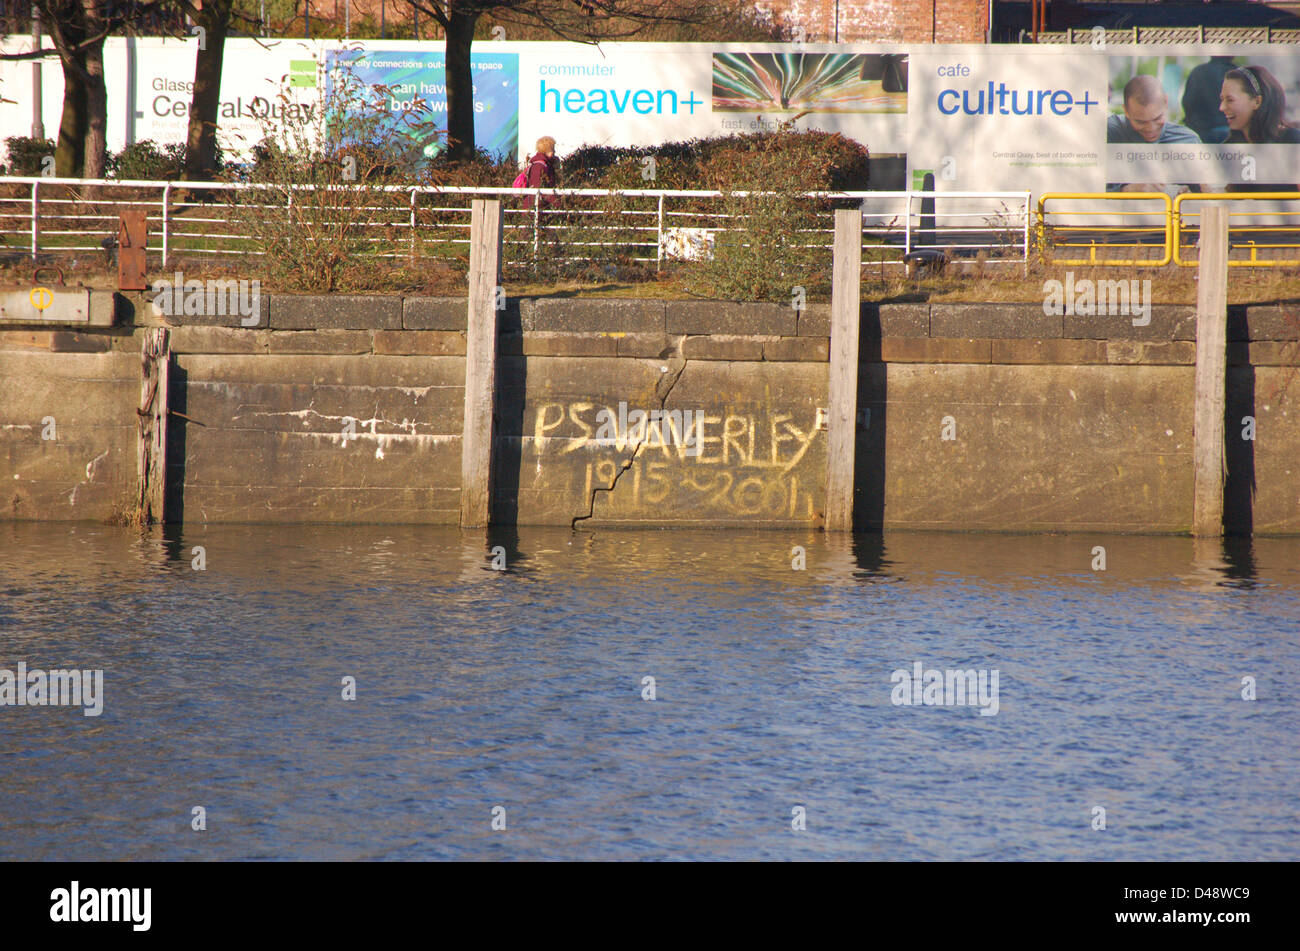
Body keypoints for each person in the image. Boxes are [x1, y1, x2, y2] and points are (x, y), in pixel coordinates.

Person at [1106, 75, 1202, 194]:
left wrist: (1191, 195)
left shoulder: (1189, 141)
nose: (1150, 129)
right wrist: (1124, 191)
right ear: (1126, 110)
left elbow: (1207, 195)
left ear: (1166, 102)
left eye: (1157, 118)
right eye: (1140, 122)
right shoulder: (1108, 133)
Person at [1182, 56, 1237, 144]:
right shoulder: (1240, 74)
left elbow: (1188, 103)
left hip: (1203, 132)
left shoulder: (1198, 72)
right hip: (1231, 133)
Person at [521, 135, 560, 212]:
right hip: (534, 208)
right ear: (546, 150)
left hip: (540, 206)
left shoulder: (545, 165)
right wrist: (557, 204)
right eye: (552, 149)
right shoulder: (539, 166)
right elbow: (538, 187)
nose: (554, 152)